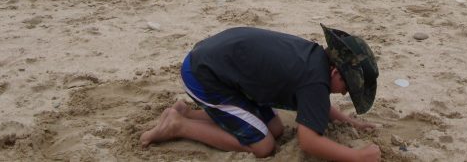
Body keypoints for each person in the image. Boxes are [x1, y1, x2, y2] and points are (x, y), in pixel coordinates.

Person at [140, 26, 380, 161]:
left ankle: (188, 114)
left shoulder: (314, 59)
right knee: (263, 146)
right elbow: (308, 142)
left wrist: (348, 121)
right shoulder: (315, 82)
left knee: (275, 129)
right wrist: (356, 157)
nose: (342, 94)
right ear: (337, 73)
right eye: (348, 89)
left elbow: (315, 105)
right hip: (205, 77)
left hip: (217, 64)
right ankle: (179, 125)